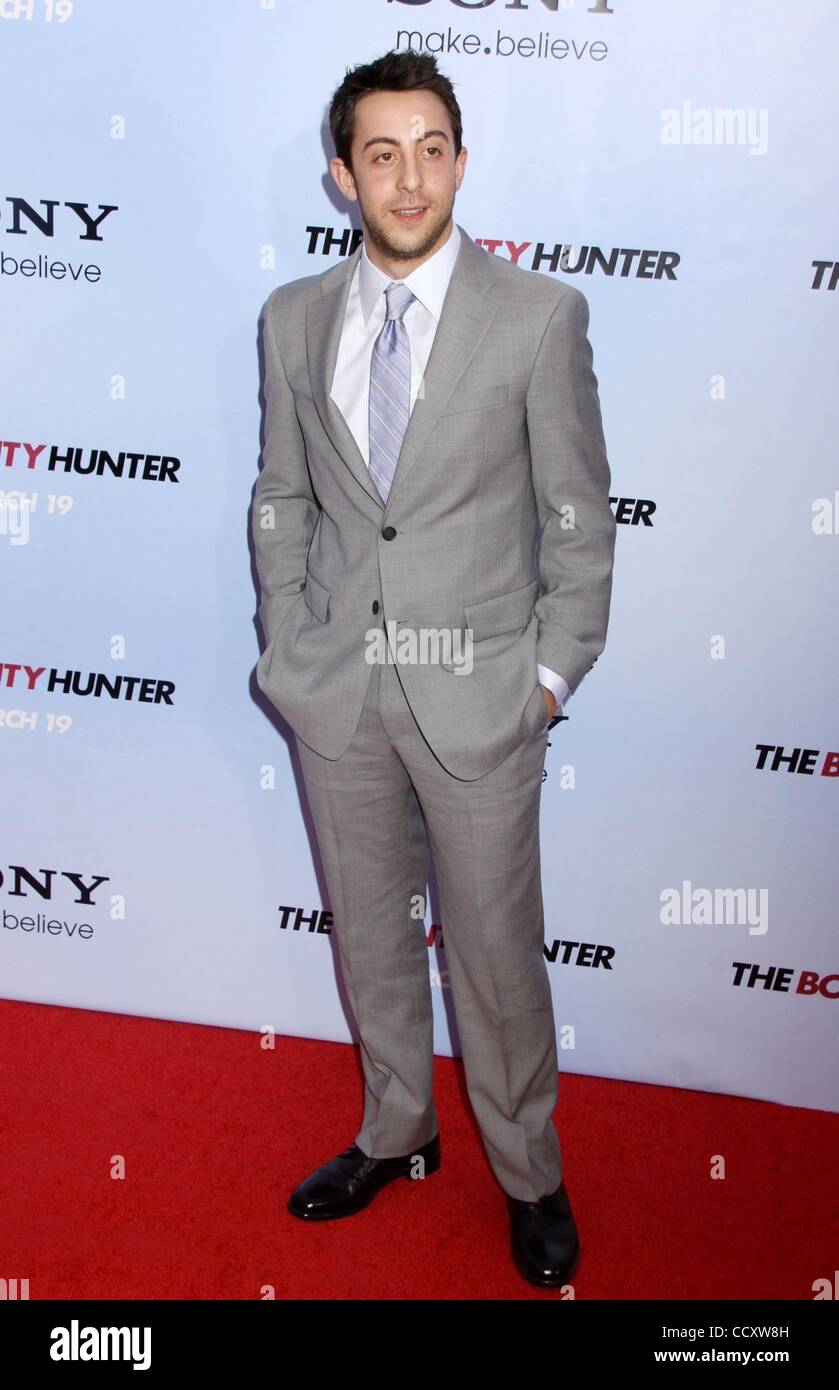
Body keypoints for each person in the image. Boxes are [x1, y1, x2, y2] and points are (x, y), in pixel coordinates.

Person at [251, 48, 616, 1288]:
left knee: (497, 950)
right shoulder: (292, 318)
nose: (407, 177)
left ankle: (529, 1171)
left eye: (428, 148)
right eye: (379, 153)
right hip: (337, 689)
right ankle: (394, 1127)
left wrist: (551, 677)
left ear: (459, 160)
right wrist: (288, 642)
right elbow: (283, 495)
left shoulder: (536, 316)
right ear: (342, 175)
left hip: (480, 691)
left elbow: (577, 515)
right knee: (368, 934)